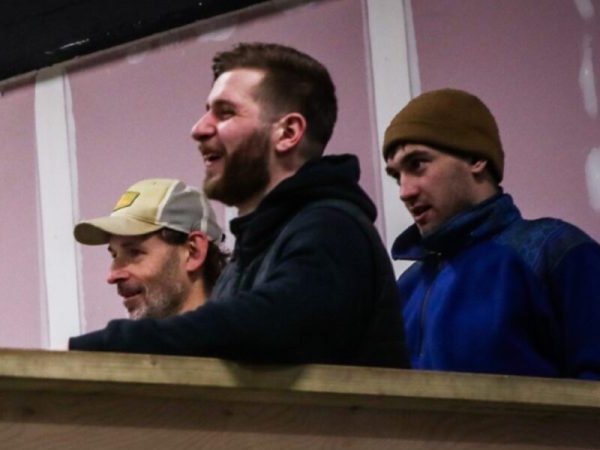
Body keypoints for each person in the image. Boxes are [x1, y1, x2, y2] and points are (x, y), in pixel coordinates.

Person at [70, 43, 407, 368]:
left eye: (226, 113)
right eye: (207, 112)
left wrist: (104, 345)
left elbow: (271, 324)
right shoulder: (251, 255)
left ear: (288, 132)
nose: (199, 129)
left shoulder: (333, 228)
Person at [381, 89, 600, 378]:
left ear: (476, 158)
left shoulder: (555, 250)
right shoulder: (408, 287)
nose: (404, 191)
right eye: (396, 175)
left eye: (417, 165)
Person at [75, 178, 226, 320]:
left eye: (134, 253)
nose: (113, 275)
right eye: (114, 255)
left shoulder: (235, 336)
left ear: (193, 252)